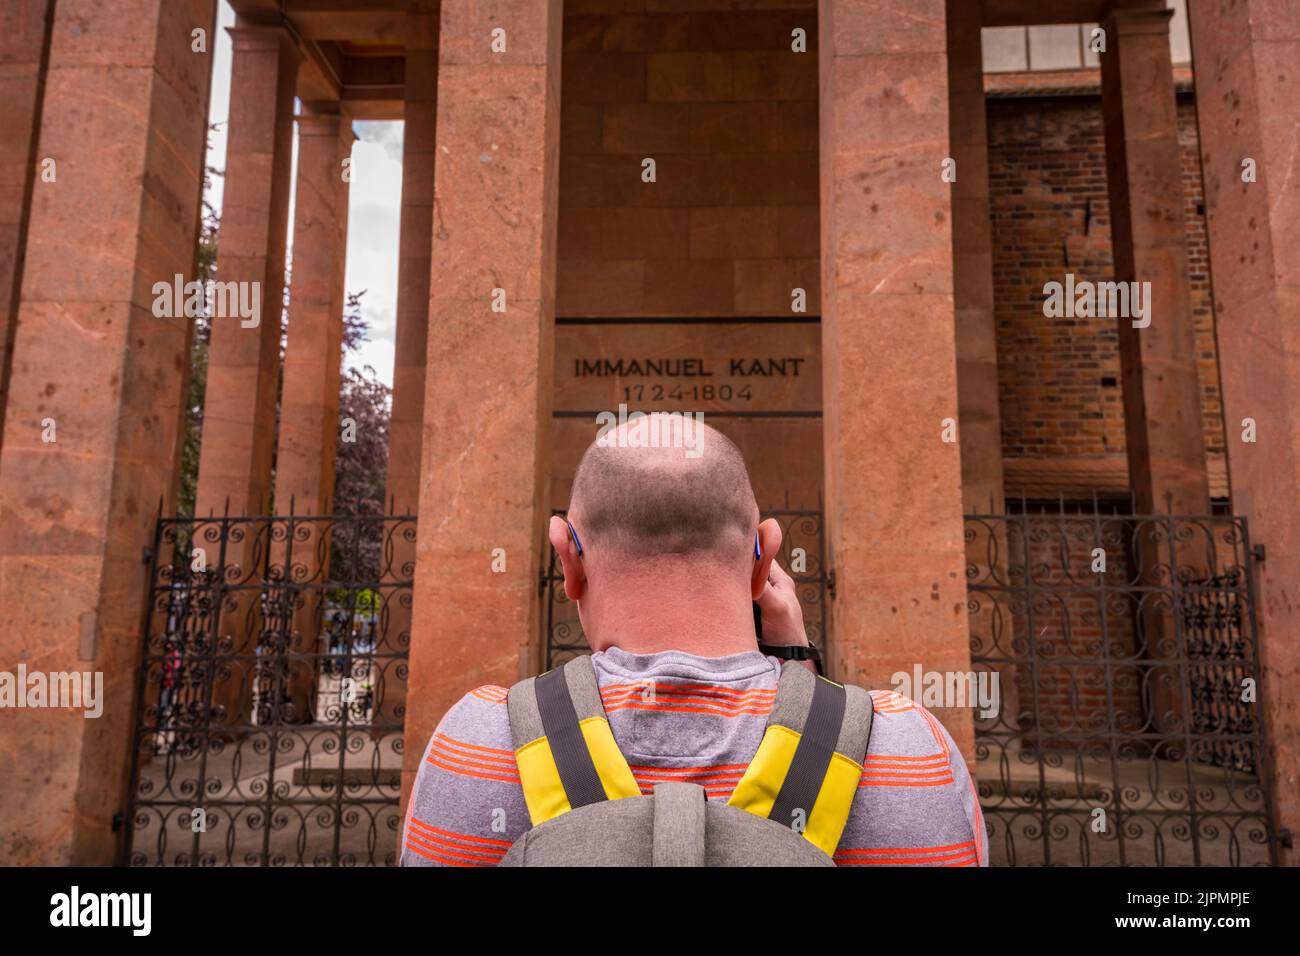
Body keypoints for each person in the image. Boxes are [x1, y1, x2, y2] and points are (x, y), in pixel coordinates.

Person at [400, 415, 987, 866]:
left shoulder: (476, 741)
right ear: (766, 556)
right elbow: (813, 742)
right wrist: (795, 662)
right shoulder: (910, 750)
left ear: (567, 557)